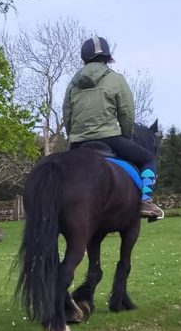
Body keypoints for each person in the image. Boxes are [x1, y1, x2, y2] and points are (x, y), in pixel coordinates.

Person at [62, 36, 164, 220]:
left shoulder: (73, 84)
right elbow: (127, 113)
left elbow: (67, 114)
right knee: (148, 159)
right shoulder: (116, 79)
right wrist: (125, 136)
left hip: (78, 141)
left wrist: (73, 138)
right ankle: (146, 201)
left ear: (84, 58)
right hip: (109, 137)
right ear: (107, 58)